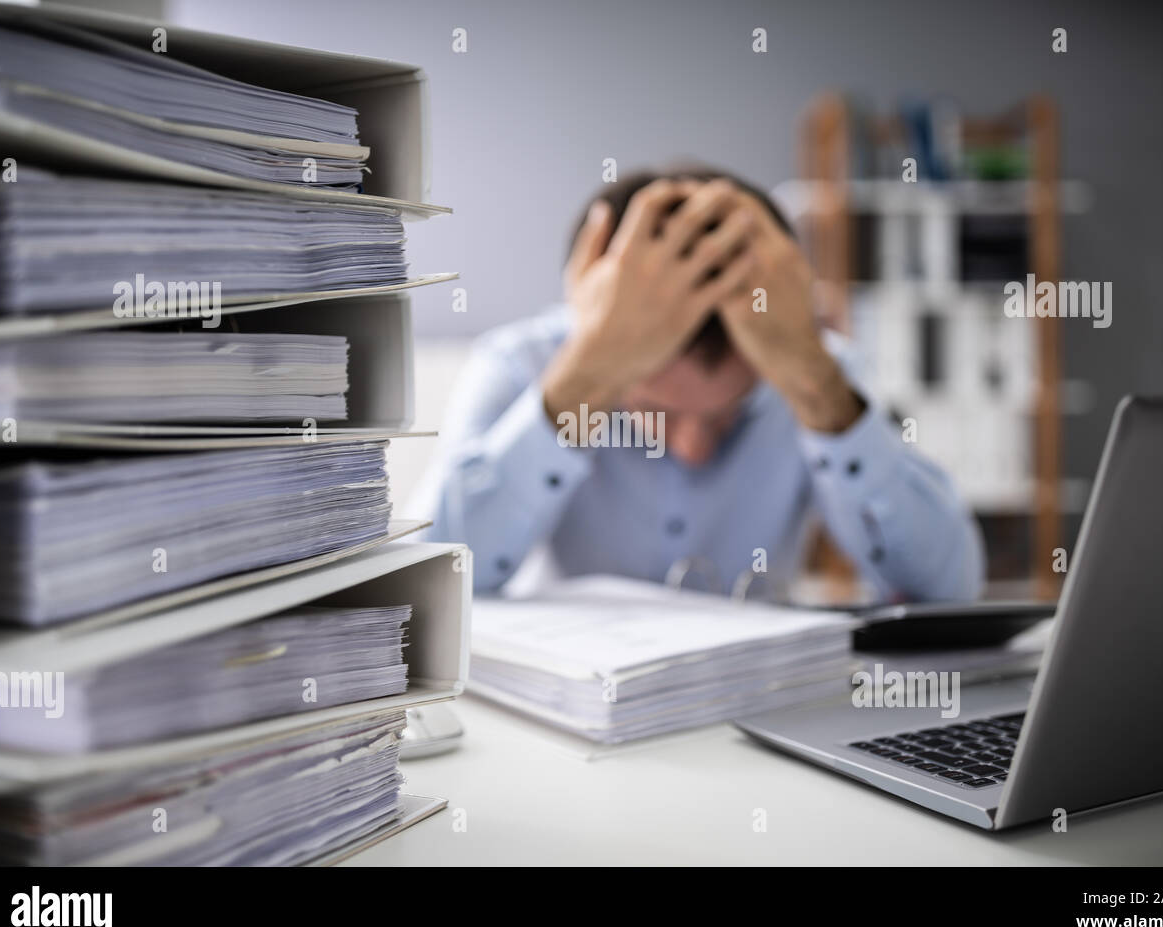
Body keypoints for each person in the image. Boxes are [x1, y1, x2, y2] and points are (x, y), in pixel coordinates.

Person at [409, 164, 984, 601]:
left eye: (730, 411)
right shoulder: (521, 363)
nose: (693, 449)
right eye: (654, 409)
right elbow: (422, 586)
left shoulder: (815, 370)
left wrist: (815, 382)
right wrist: (588, 375)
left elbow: (950, 589)